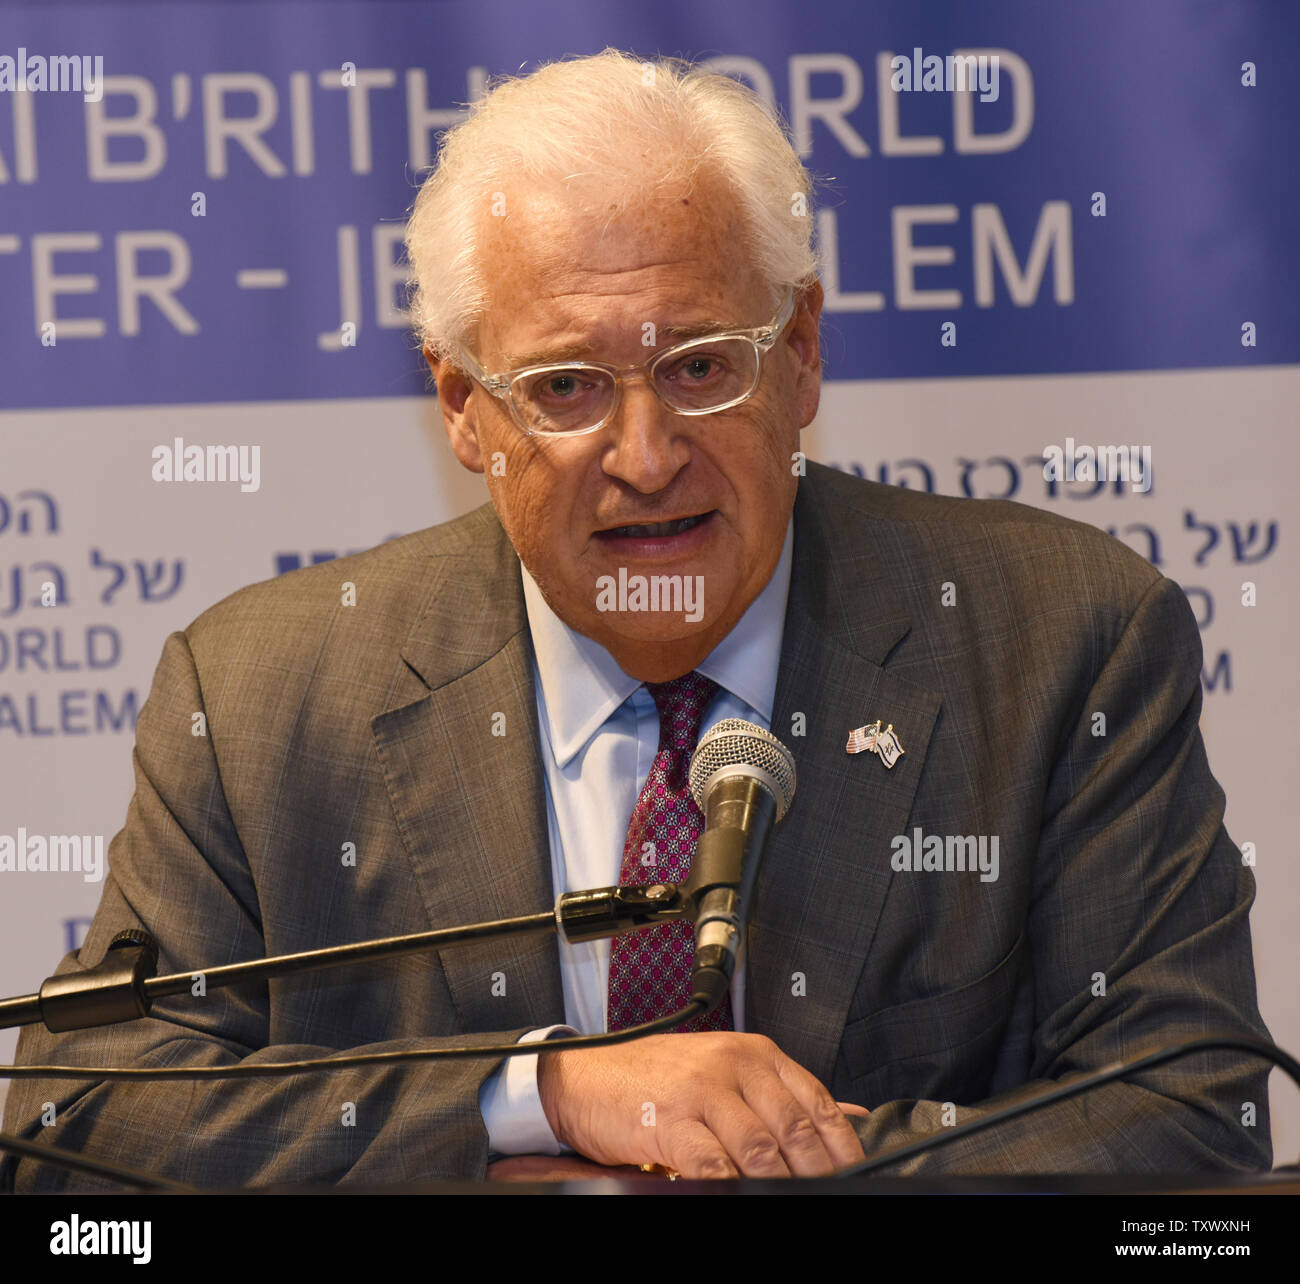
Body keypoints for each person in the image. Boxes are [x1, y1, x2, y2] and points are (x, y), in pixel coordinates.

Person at [1, 48, 1272, 1189]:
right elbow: (78, 1111)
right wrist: (539, 1095)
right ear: (460, 407)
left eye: (701, 366)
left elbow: (1188, 1110)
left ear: (802, 354)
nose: (647, 454)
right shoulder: (265, 692)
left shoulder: (1059, 642)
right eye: (563, 388)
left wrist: (760, 1167)